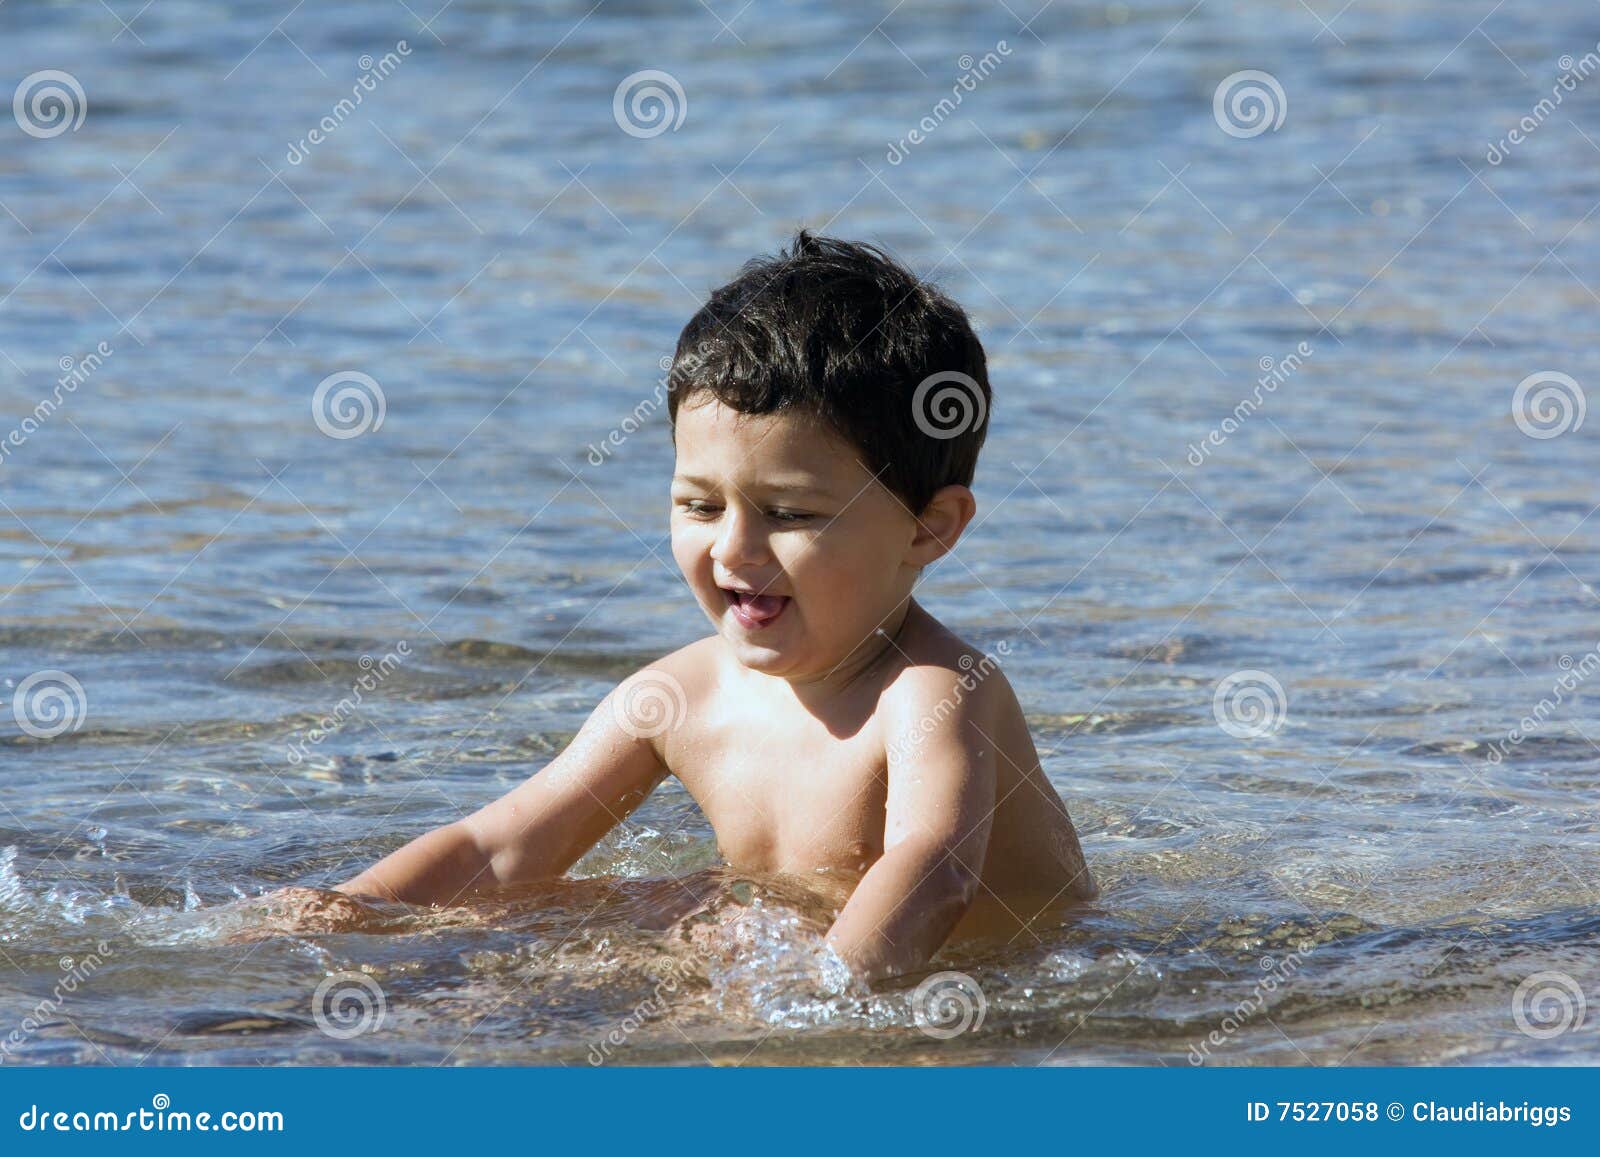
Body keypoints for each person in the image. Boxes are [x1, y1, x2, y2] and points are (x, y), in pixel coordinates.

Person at [321, 231, 1096, 981]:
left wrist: (809, 999)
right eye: (699, 505)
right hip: (808, 941)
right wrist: (344, 913)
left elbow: (935, 869)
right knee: (528, 954)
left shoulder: (933, 692)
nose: (734, 549)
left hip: (1002, 996)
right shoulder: (674, 700)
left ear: (929, 527)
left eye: (789, 514)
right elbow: (498, 850)